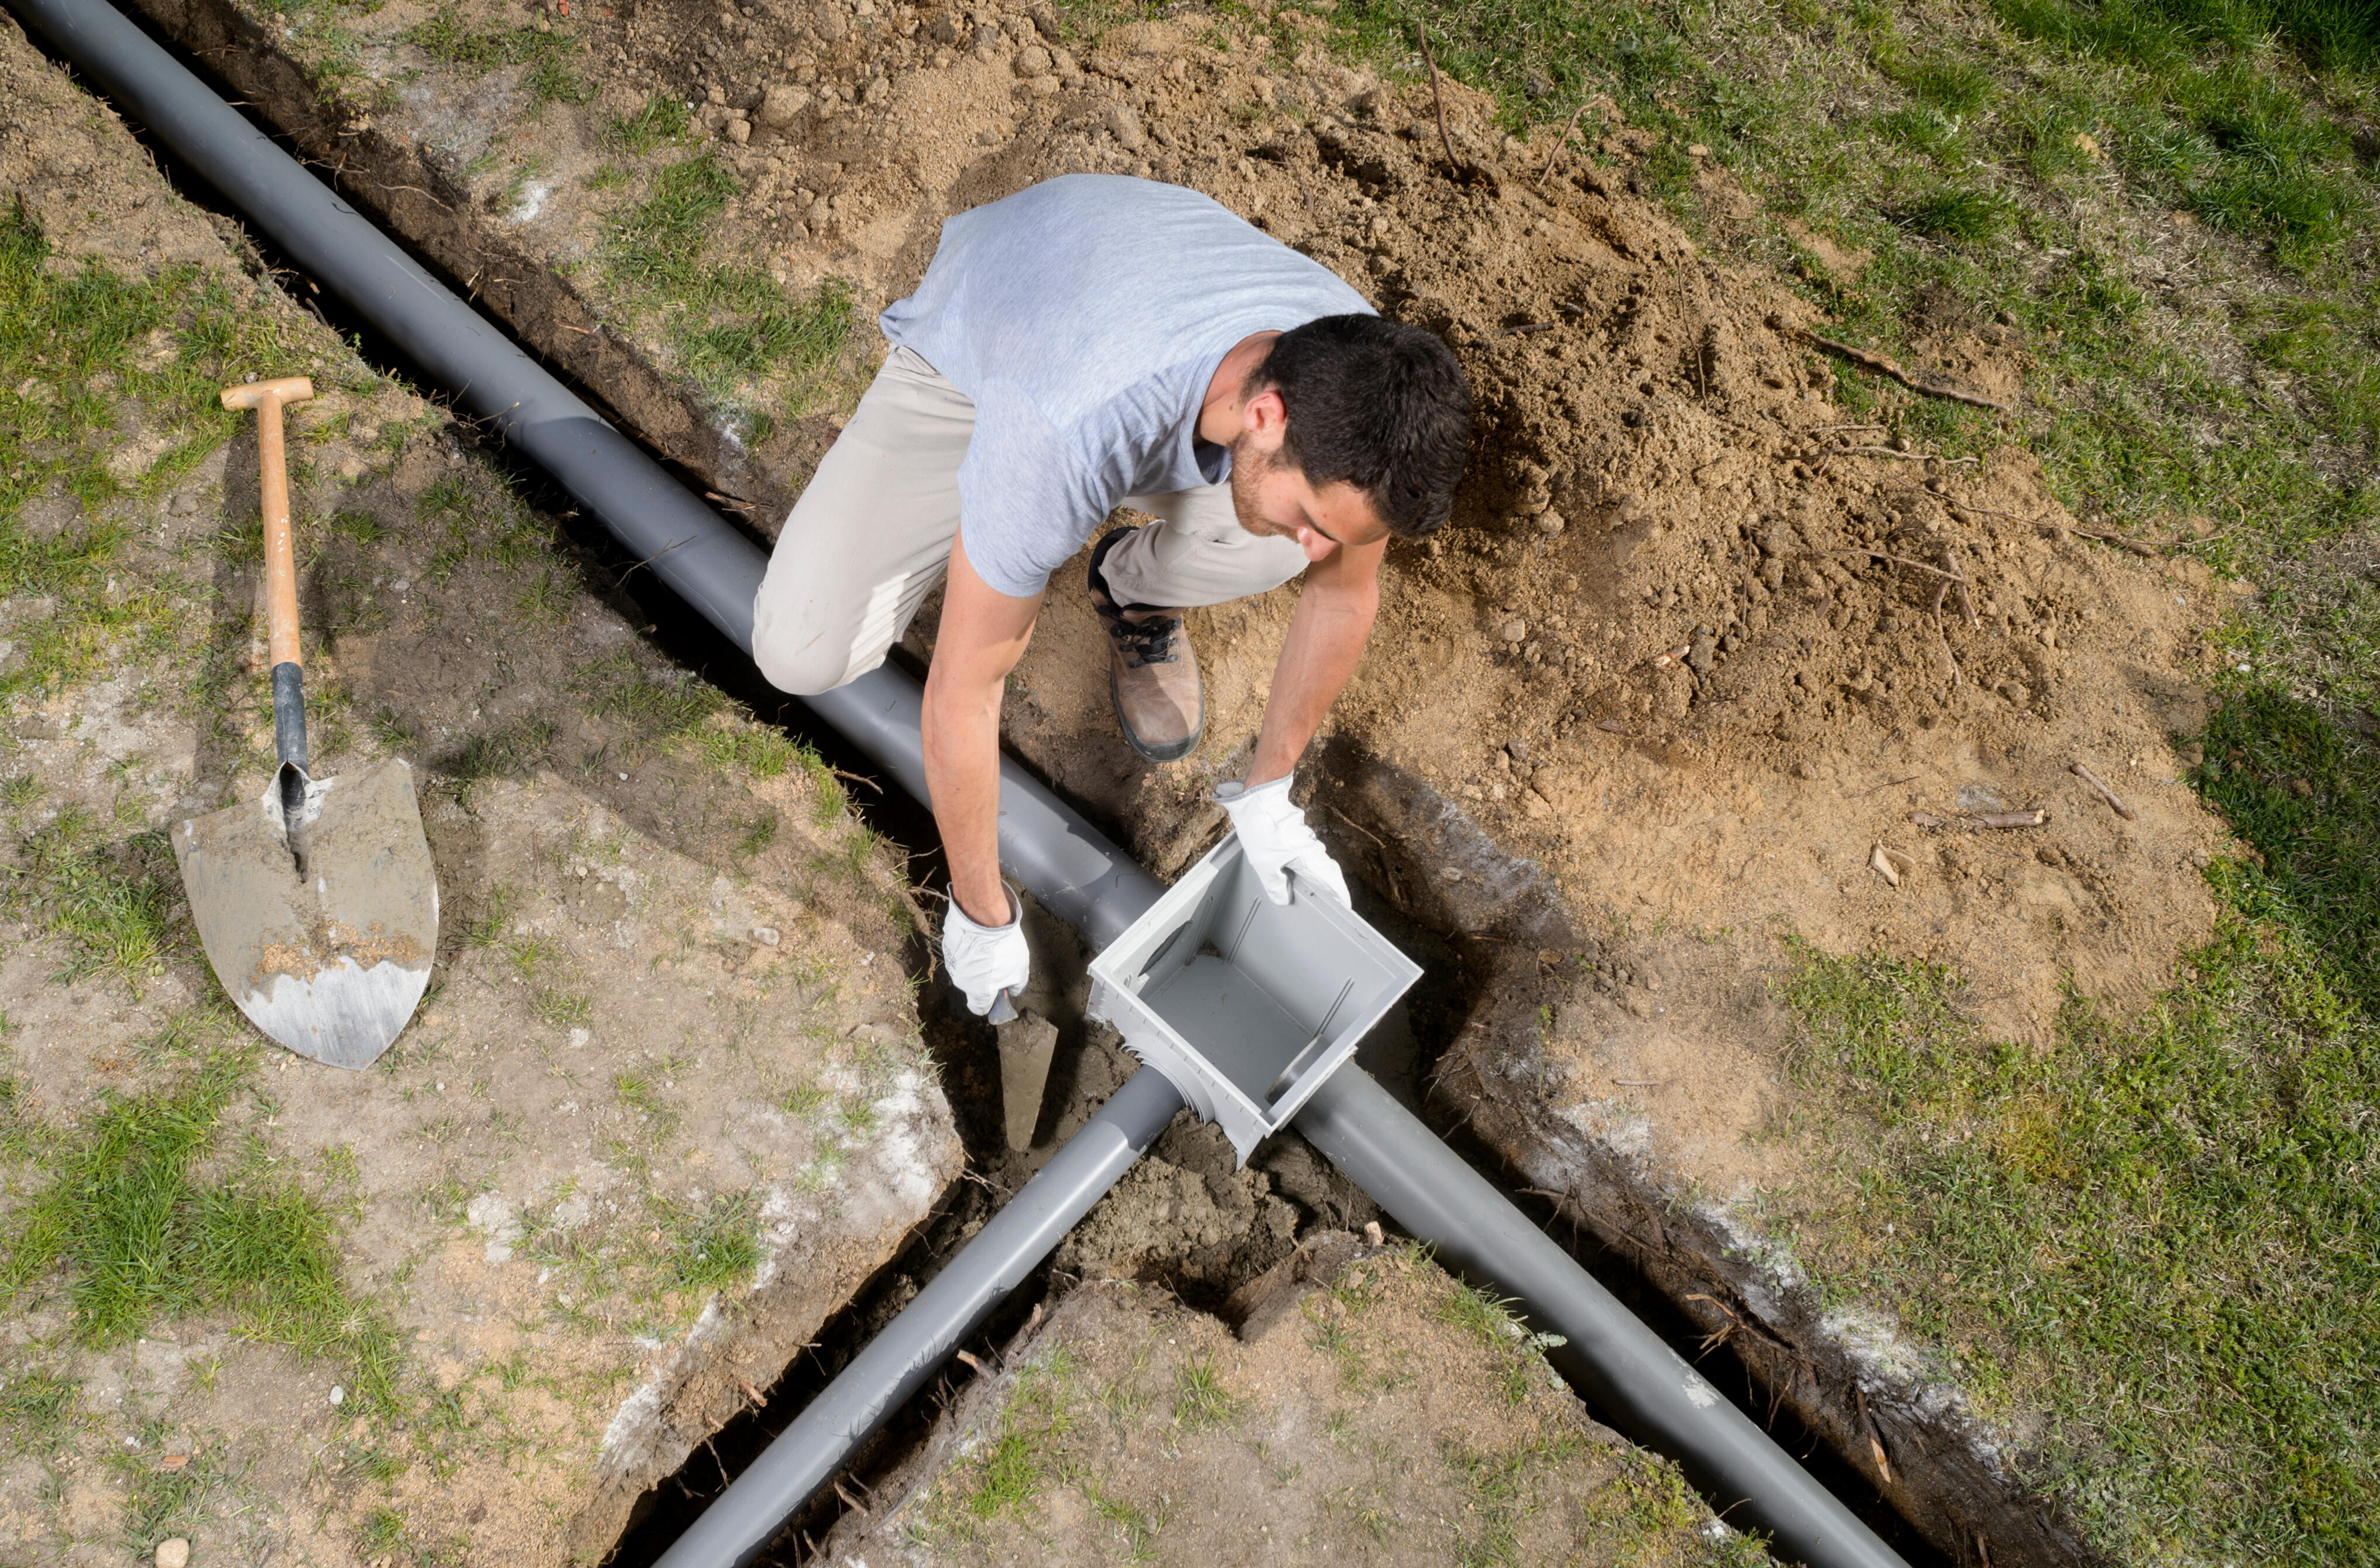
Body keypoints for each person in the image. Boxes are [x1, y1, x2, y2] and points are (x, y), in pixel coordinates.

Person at [750, 174, 1471, 1016]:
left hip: (1130, 292)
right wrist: (984, 912)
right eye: (1315, 514)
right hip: (994, 341)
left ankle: (1124, 581)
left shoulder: (1359, 389)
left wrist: (1269, 789)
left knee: (1270, 549)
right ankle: (992, 524)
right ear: (1267, 416)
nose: (1320, 543)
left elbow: (1343, 596)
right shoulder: (1062, 427)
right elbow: (964, 687)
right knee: (802, 654)